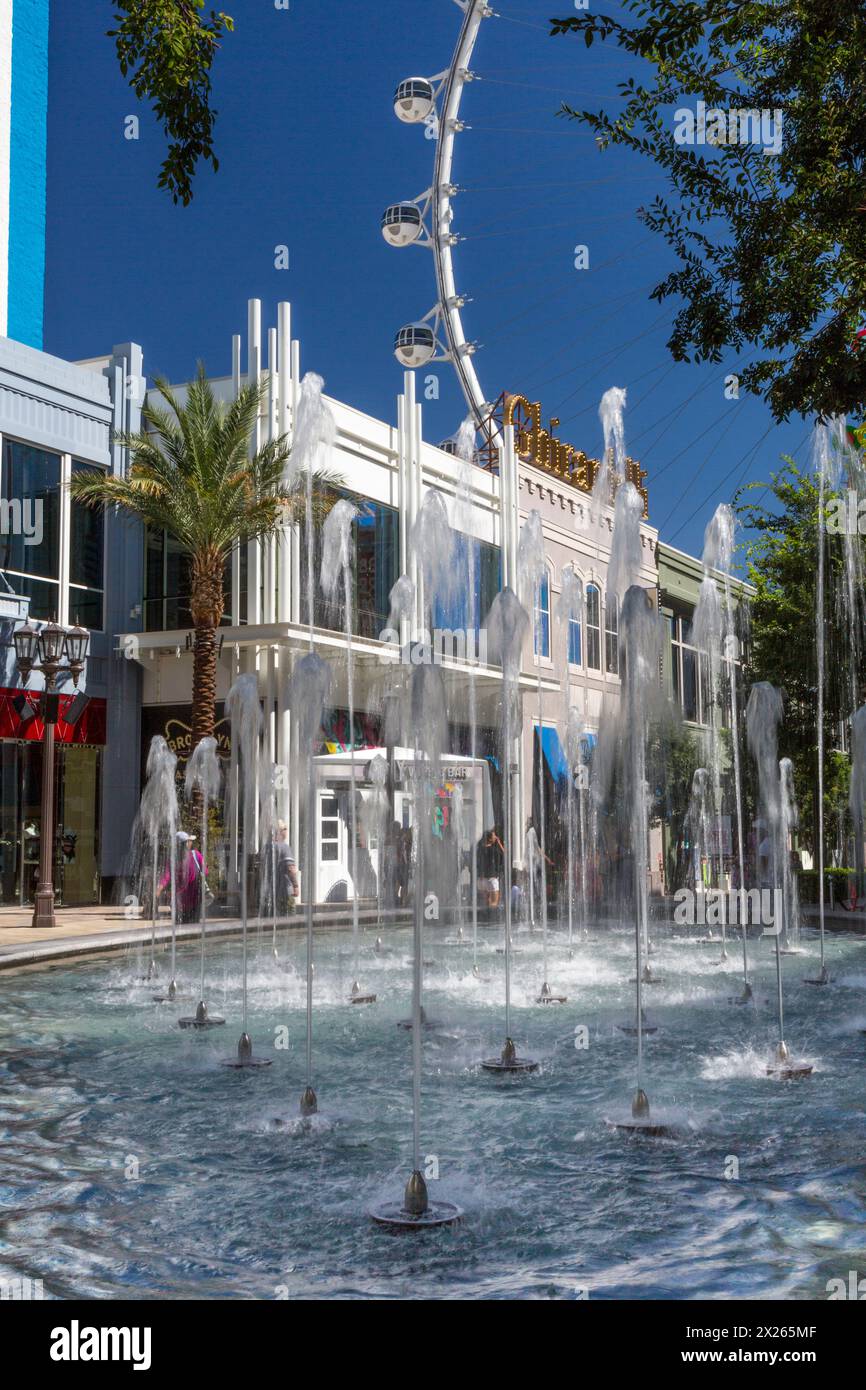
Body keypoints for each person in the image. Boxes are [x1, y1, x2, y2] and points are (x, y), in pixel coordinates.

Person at [161, 830, 206, 923]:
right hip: (193, 900)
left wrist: (160, 886)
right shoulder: (196, 855)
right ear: (185, 843)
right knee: (194, 927)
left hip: (181, 902)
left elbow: (166, 876)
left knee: (179, 929)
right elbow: (205, 871)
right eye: (189, 841)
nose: (191, 842)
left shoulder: (173, 859)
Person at [274, 821, 300, 912]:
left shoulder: (267, 847)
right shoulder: (284, 847)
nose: (287, 831)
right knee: (290, 917)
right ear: (281, 831)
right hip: (286, 890)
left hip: (273, 892)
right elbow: (290, 869)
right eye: (285, 828)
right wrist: (296, 886)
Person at [477, 826, 505, 908]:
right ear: (490, 839)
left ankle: (484, 919)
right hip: (491, 880)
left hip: (481, 880)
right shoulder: (494, 850)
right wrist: (499, 843)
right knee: (494, 903)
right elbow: (505, 856)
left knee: (486, 903)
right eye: (494, 836)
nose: (496, 837)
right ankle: (491, 919)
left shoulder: (479, 849)